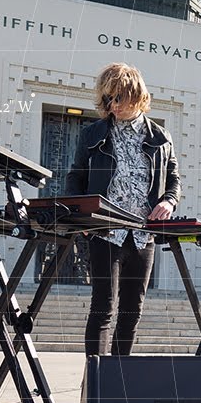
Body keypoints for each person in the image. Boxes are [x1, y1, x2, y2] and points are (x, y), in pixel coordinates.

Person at [67, 63, 181, 356]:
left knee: (132, 312)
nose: (112, 105)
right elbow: (75, 177)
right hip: (105, 233)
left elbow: (173, 180)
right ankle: (96, 384)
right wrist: (79, 217)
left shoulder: (161, 138)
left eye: (118, 97)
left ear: (136, 96)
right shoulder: (93, 133)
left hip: (143, 236)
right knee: (102, 308)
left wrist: (168, 201)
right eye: (107, 99)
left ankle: (118, 379)